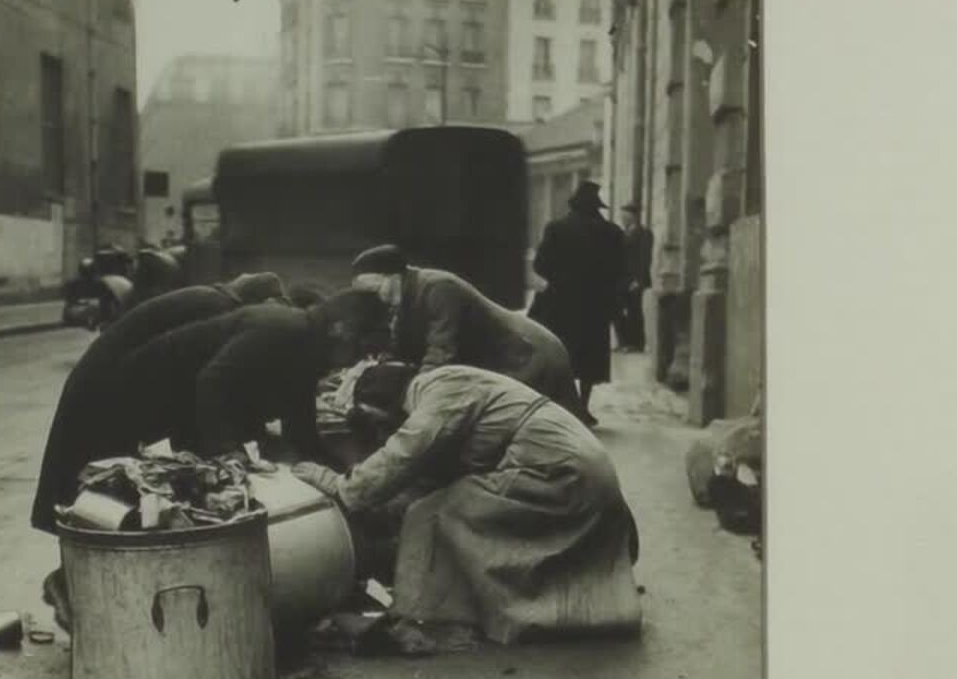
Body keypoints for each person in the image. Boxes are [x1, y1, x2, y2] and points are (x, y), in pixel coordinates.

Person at [291, 362, 642, 651]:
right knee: (433, 507)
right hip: (577, 460)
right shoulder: (447, 382)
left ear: (382, 406)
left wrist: (339, 485)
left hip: (556, 466)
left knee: (443, 513)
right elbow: (426, 477)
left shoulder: (438, 392)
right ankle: (446, 608)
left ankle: (434, 615)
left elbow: (404, 452)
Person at [33, 272, 288, 627]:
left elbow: (182, 374)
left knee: (105, 494)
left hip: (115, 394)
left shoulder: (210, 299)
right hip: (104, 396)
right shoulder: (214, 307)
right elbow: (197, 377)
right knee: (95, 493)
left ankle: (77, 586)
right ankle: (68, 585)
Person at [116, 291, 387, 460]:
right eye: (361, 349)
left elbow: (301, 434)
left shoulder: (309, 352)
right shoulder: (283, 329)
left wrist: (341, 475)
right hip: (148, 392)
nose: (354, 362)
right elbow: (213, 383)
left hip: (185, 399)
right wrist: (229, 453)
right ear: (341, 329)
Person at [349, 244, 583, 415]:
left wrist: (416, 397)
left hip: (527, 352)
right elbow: (402, 347)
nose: (374, 300)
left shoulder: (439, 288)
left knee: (531, 427)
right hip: (502, 356)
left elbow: (441, 352)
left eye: (375, 290)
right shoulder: (404, 295)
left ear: (393, 277)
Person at [529, 180, 625, 426]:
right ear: (596, 207)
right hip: (595, 306)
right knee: (591, 357)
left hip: (561, 302)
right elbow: (620, 271)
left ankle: (566, 404)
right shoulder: (612, 234)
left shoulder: (556, 229)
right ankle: (583, 405)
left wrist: (560, 278)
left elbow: (539, 265)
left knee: (564, 352)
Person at [614, 202, 653, 353]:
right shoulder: (622, 234)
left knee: (634, 311)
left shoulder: (645, 234)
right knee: (617, 310)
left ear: (634, 216)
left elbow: (645, 258)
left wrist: (638, 280)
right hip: (620, 280)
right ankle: (623, 342)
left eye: (625, 215)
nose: (622, 218)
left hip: (635, 280)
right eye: (622, 215)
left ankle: (636, 344)